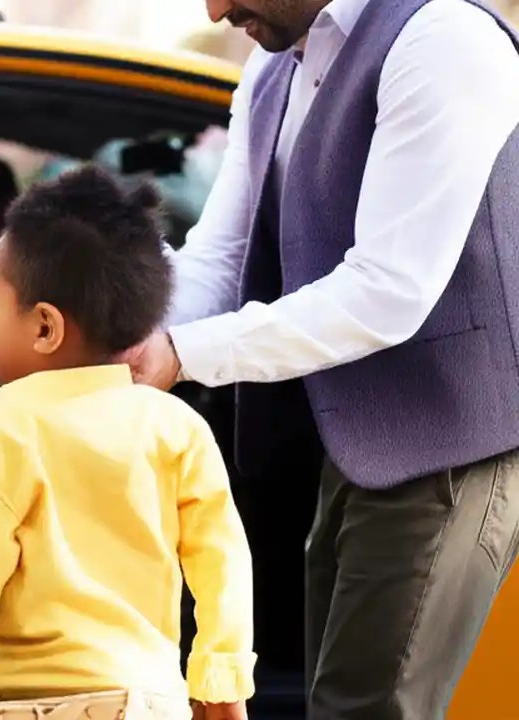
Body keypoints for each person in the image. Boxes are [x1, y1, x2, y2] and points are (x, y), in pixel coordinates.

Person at [124, 1, 519, 717]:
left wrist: (182, 352)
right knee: (330, 700)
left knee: (364, 707)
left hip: (453, 441)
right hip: (351, 441)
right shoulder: (273, 63)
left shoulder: (444, 39)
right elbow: (225, 254)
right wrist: (118, 338)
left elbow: (390, 289)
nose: (215, 9)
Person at [0, 164, 256, 720]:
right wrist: (221, 680)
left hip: (27, 706)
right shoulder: (177, 428)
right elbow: (224, 566)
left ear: (45, 327)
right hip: (150, 703)